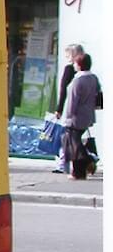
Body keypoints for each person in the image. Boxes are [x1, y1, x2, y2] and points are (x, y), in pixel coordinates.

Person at [60, 53, 101, 181]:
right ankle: (80, 172)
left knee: (74, 146)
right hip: (88, 115)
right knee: (76, 144)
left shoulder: (78, 81)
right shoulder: (93, 78)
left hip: (75, 118)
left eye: (75, 63)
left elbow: (72, 102)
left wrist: (67, 117)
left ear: (79, 65)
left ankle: (86, 163)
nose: (74, 65)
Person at [53, 44, 84, 173]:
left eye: (67, 55)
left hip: (69, 109)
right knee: (74, 138)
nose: (66, 58)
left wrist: (59, 109)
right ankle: (77, 161)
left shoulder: (69, 69)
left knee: (66, 137)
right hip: (83, 111)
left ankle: (63, 164)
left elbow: (63, 91)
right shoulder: (86, 71)